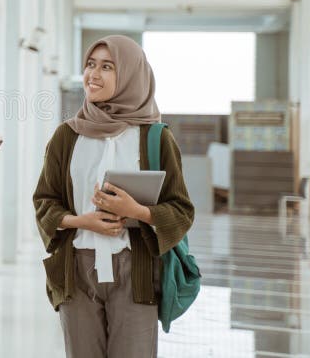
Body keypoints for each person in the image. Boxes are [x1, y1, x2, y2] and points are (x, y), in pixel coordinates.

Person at [33, 35, 194, 358]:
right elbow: (44, 202)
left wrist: (138, 211)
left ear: (132, 75)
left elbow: (181, 210)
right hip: (76, 271)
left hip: (137, 273)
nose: (94, 74)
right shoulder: (67, 135)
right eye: (90, 65)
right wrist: (83, 221)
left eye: (107, 67)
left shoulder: (156, 138)